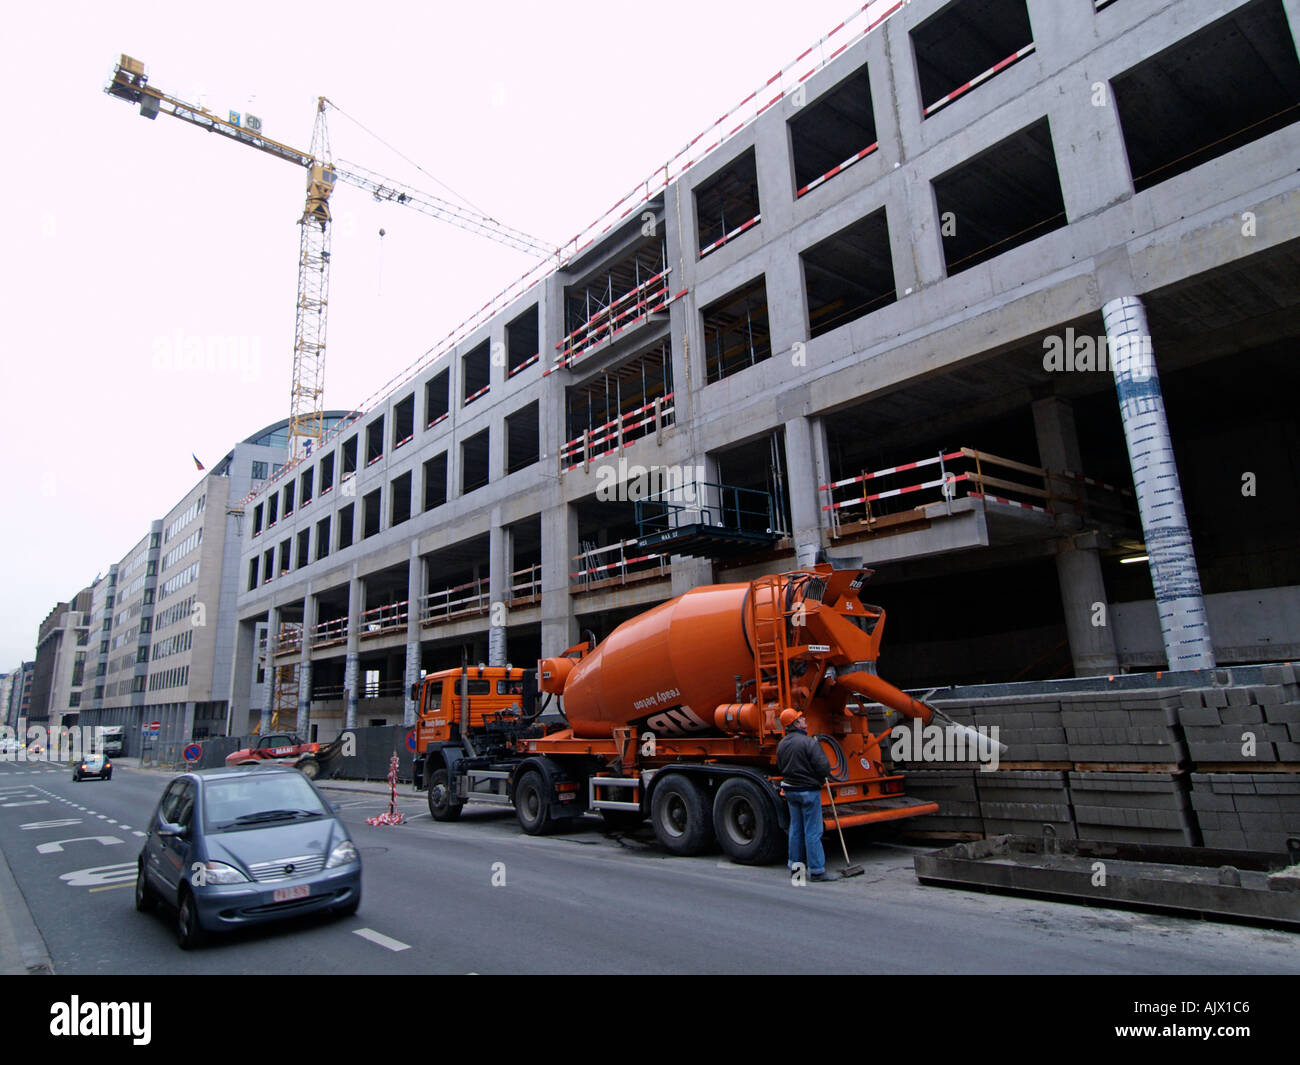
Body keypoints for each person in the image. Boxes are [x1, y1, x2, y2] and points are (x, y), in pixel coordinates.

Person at [776, 708, 837, 882]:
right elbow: (823, 767)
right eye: (800, 718)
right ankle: (817, 871)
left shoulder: (782, 744)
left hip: (791, 791)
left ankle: (796, 869)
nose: (804, 720)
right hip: (808, 791)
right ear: (795, 724)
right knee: (813, 831)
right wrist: (819, 778)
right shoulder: (809, 742)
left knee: (795, 829)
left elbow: (780, 766)